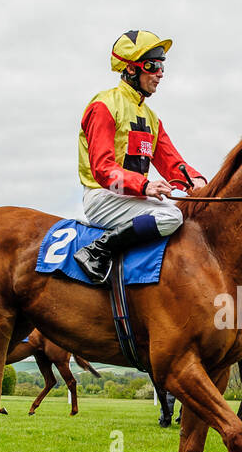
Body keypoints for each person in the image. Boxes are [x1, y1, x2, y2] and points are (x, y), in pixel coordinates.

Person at [73, 30, 206, 284]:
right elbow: (103, 169)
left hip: (133, 198)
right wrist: (145, 185)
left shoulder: (152, 118)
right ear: (131, 70)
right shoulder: (104, 106)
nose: (160, 73)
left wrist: (197, 182)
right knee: (172, 216)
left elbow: (173, 164)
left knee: (188, 215)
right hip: (103, 197)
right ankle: (97, 250)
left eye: (162, 66)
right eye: (153, 65)